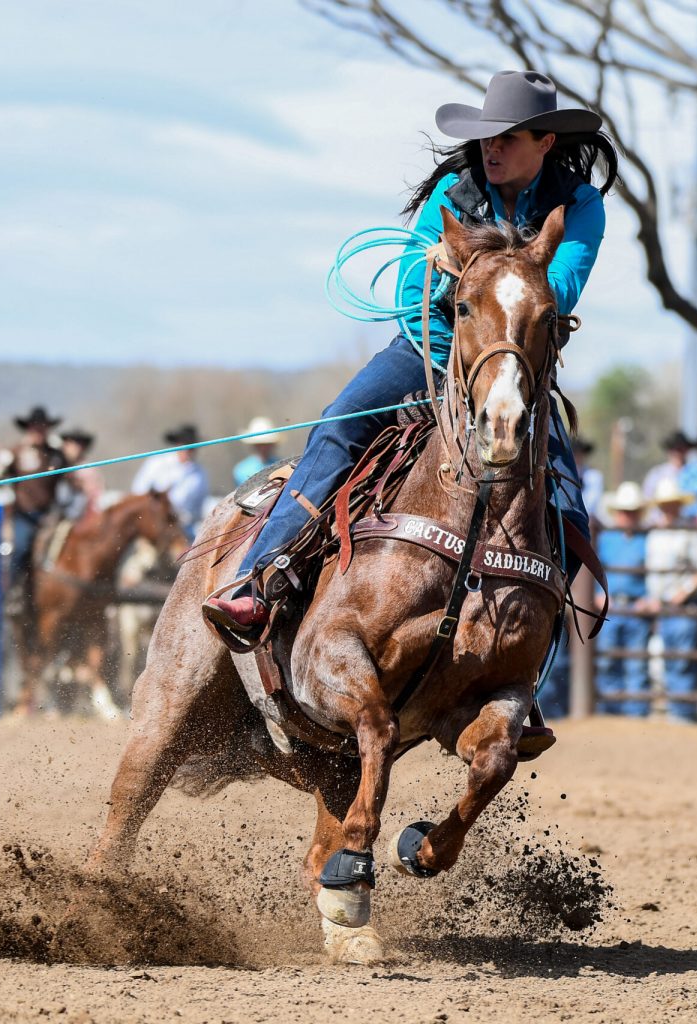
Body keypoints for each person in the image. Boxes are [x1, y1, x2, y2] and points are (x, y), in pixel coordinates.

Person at [204, 70, 615, 633]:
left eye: (507, 138)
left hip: (515, 364)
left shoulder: (580, 204)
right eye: (487, 137)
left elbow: (560, 287)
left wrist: (480, 275)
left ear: (545, 144)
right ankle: (260, 580)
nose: (490, 148)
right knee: (336, 427)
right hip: (433, 348)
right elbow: (408, 290)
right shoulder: (454, 192)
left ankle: (529, 648)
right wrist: (447, 340)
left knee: (566, 500)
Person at [642, 479, 697, 723]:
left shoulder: (689, 533)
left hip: (683, 607)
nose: (668, 508)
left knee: (681, 661)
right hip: (663, 608)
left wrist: (684, 592)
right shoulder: (656, 533)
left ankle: (682, 714)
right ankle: (675, 710)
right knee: (668, 661)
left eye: (672, 504)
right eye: (665, 505)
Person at [0, 406, 67, 587]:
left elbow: (70, 478)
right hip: (24, 515)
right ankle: (12, 592)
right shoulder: (16, 452)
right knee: (21, 548)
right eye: (35, 427)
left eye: (42, 427)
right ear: (28, 429)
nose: (39, 431)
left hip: (50, 516)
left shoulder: (56, 455)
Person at [595, 483, 650, 715]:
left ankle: (634, 713)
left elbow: (653, 573)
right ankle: (610, 711)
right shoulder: (605, 539)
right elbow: (595, 570)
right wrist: (597, 595)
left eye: (631, 512)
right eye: (624, 511)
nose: (627, 516)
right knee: (607, 661)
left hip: (636, 608)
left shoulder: (647, 540)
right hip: (610, 607)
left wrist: (648, 598)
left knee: (635, 663)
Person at [131, 424, 209, 539]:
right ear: (177, 444)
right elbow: (138, 490)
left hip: (182, 529)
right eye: (185, 445)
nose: (188, 450)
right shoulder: (157, 462)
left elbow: (199, 507)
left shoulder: (199, 474)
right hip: (152, 526)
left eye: (192, 447)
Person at [55, 429, 104, 523]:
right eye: (69, 444)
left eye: (77, 445)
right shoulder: (59, 464)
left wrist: (78, 484)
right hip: (58, 513)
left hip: (81, 516)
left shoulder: (87, 469)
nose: (72, 448)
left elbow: (94, 495)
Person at [642, 430, 691, 522]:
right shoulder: (656, 474)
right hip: (658, 525)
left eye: (681, 449)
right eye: (675, 449)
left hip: (687, 525)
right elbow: (647, 501)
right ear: (669, 450)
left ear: (687, 451)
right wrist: (660, 520)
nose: (678, 453)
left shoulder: (695, 475)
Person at [233, 417, 285, 488]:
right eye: (260, 444)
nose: (263, 448)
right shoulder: (241, 470)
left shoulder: (283, 466)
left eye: (267, 444)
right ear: (254, 445)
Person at [576, 437, 604, 527]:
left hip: (586, 519)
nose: (577, 456)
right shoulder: (560, 474)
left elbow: (591, 505)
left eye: (580, 453)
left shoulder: (594, 476)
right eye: (574, 453)